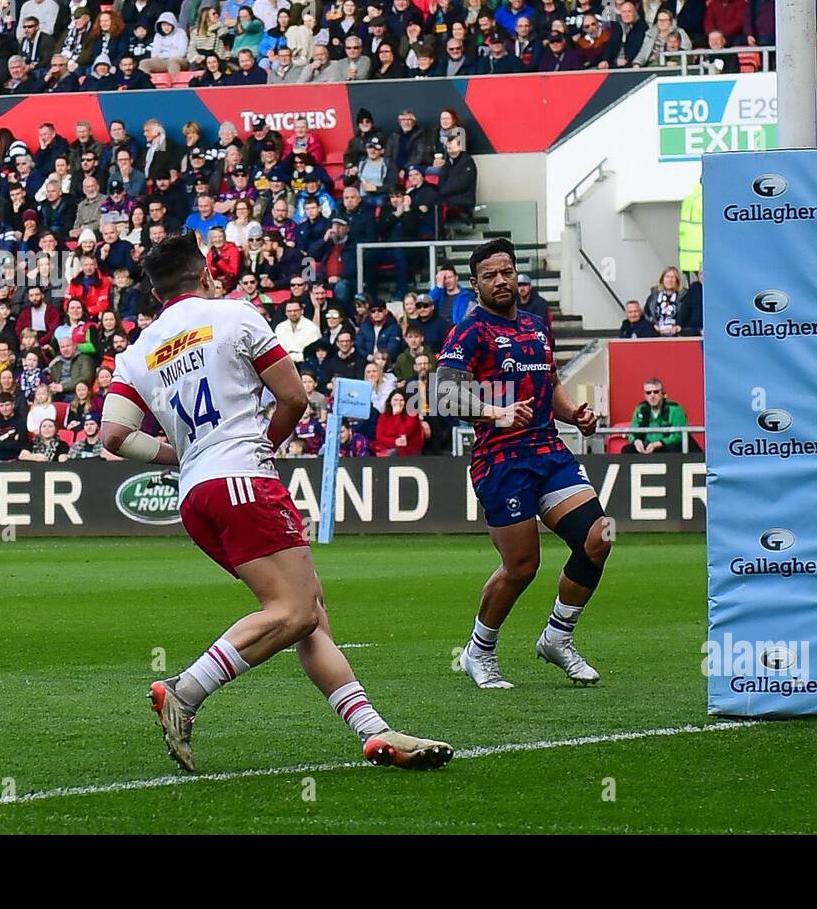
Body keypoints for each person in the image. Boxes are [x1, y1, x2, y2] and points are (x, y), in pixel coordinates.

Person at [98, 234, 451, 773]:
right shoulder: (235, 316)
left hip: (197, 495)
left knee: (309, 614)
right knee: (291, 611)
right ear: (207, 276)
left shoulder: (138, 349)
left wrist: (186, 454)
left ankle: (374, 731)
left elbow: (114, 436)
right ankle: (185, 691)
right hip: (244, 478)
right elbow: (293, 398)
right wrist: (263, 445)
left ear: (155, 290)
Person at [439, 238, 609, 690]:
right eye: (490, 275)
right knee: (522, 566)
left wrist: (574, 413)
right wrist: (496, 412)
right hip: (500, 462)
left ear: (518, 276)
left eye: (506, 272)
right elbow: (443, 394)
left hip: (548, 451)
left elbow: (548, 381)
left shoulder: (537, 326)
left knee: (598, 536)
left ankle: (558, 636)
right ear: (476, 284)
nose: (501, 281)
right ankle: (480, 651)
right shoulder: (469, 332)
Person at [623, 379, 687, 453]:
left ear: (662, 393)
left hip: (665, 446)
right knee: (627, 450)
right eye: (648, 393)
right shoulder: (640, 409)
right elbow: (633, 430)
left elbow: (679, 435)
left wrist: (657, 444)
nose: (652, 395)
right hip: (646, 446)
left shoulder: (675, 409)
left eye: (656, 392)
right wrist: (636, 442)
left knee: (673, 448)